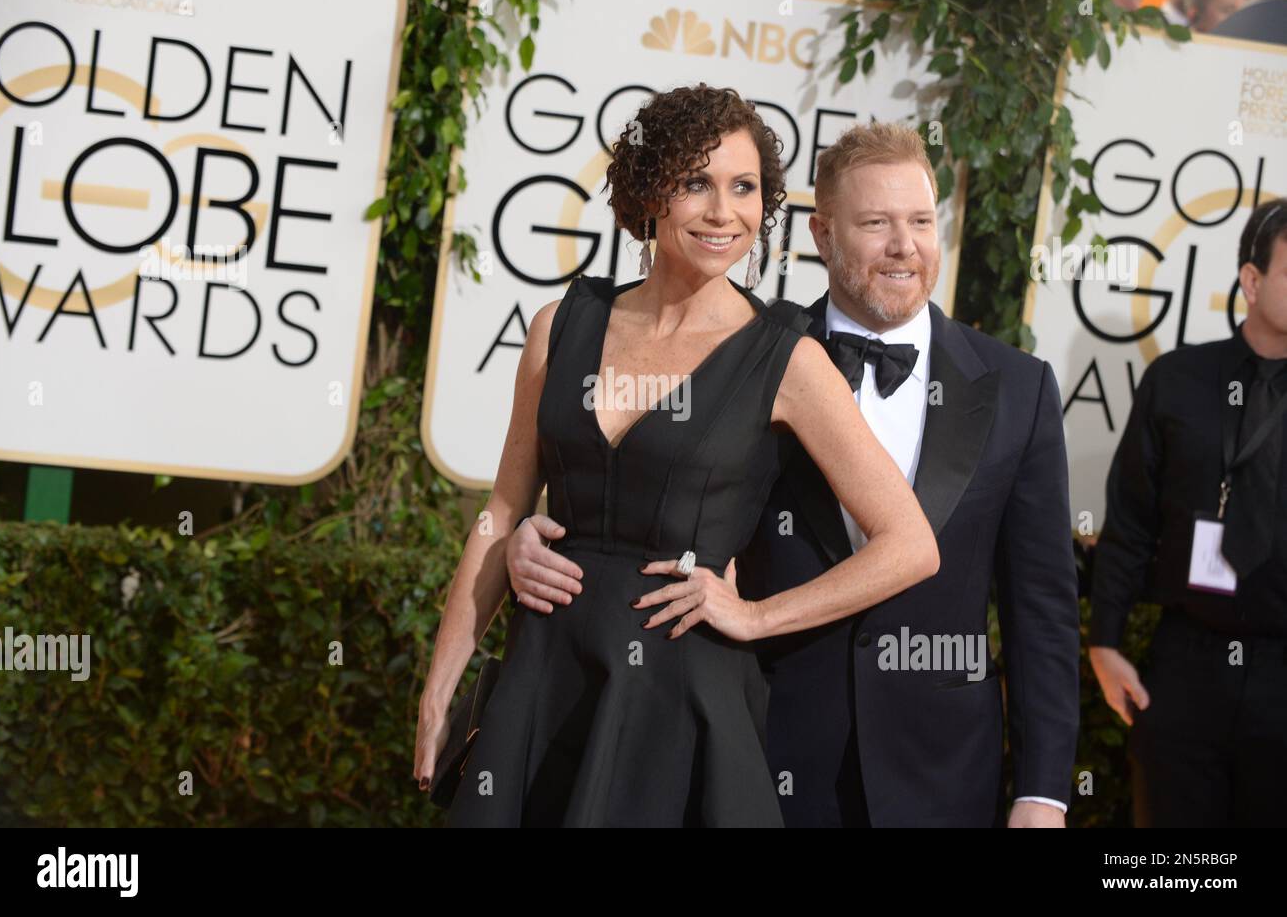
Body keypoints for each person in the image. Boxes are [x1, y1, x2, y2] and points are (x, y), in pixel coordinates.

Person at [509, 122, 1081, 828]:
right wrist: (532, 541)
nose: (905, 245)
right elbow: (642, 500)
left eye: (922, 222)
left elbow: (1043, 612)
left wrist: (1043, 790)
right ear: (823, 234)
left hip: (942, 773)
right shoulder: (747, 360)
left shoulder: (1018, 389)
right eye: (876, 223)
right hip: (760, 747)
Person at [413, 85, 939, 827]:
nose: (725, 212)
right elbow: (503, 513)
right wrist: (441, 692)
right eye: (697, 182)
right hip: (543, 682)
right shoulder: (561, 325)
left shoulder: (786, 358)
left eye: (745, 187)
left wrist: (756, 616)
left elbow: (910, 543)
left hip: (679, 705)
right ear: (650, 190)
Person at [1090, 200, 1287, 827]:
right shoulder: (1178, 381)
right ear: (1251, 282)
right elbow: (1128, 521)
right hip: (1185, 667)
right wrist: (1105, 640)